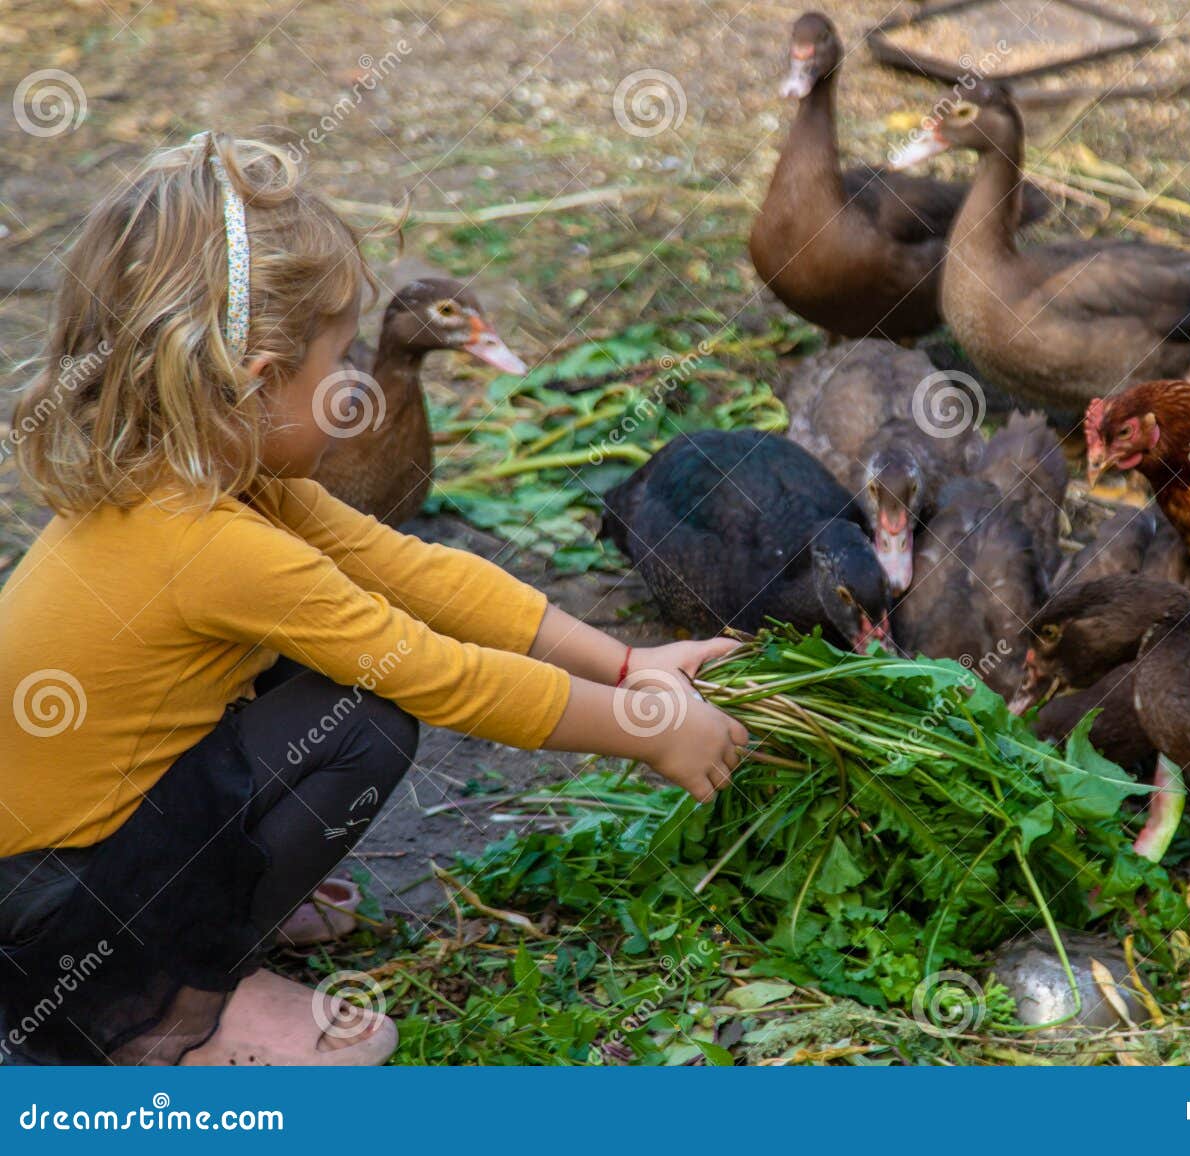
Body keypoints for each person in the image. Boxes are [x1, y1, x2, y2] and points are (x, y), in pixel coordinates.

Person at [0, 133, 748, 1066]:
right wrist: (647, 726)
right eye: (341, 355)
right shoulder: (218, 546)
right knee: (364, 722)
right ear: (262, 381)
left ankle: (200, 905)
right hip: (41, 912)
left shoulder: (206, 476)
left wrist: (628, 664)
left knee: (312, 670)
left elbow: (412, 570)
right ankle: (163, 1009)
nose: (355, 380)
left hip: (54, 858)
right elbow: (443, 676)